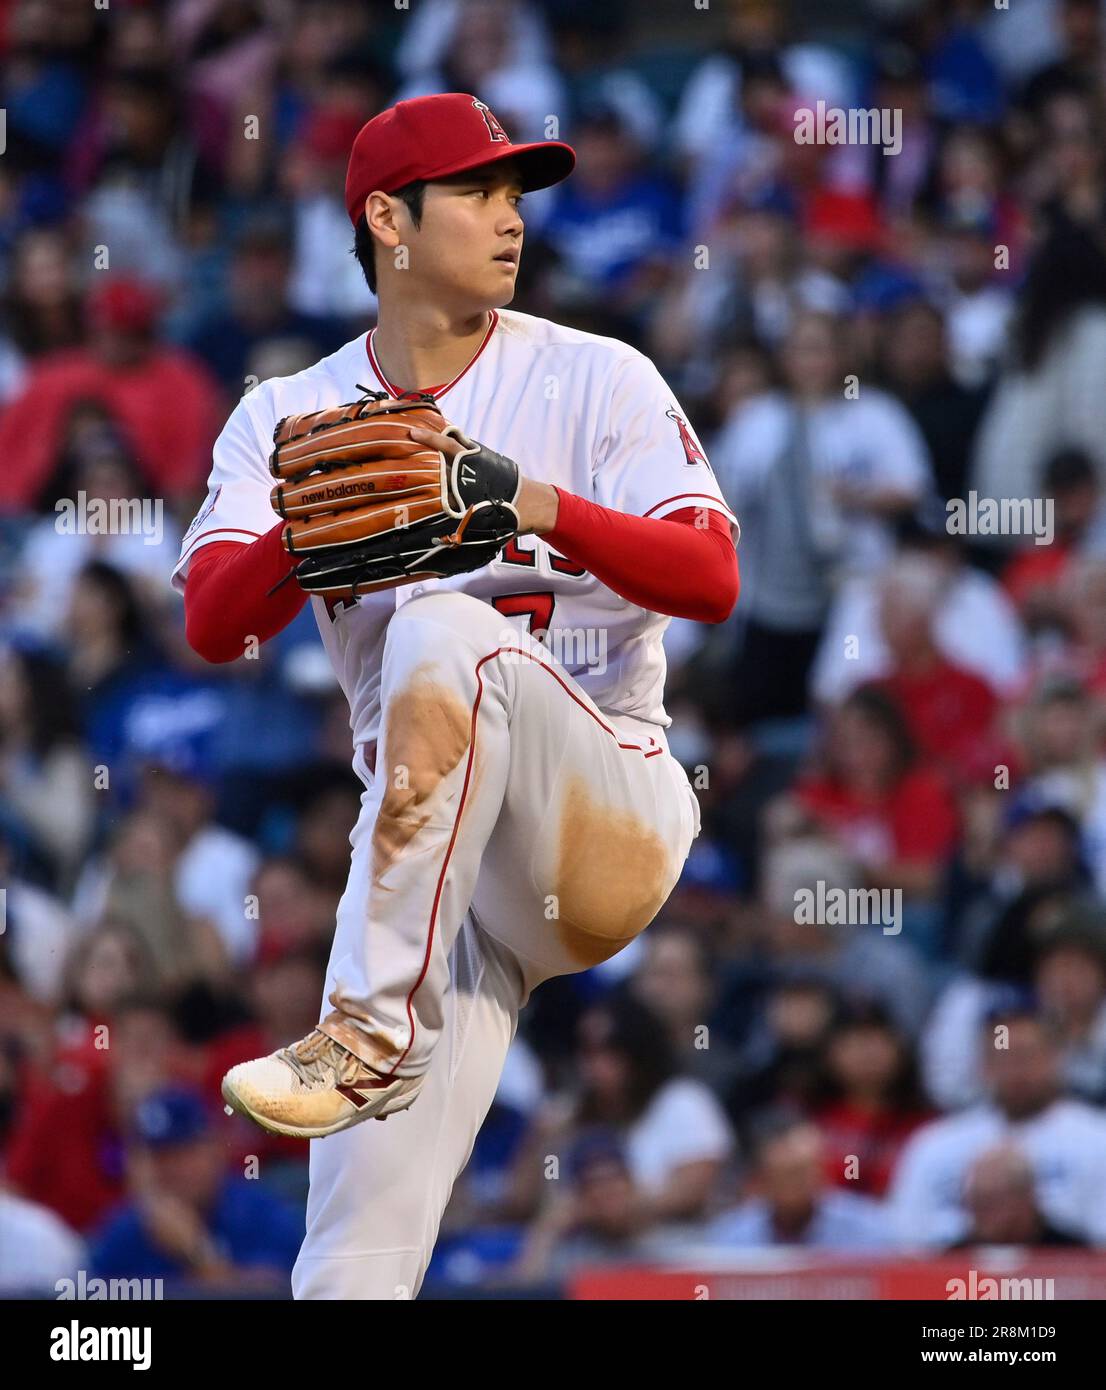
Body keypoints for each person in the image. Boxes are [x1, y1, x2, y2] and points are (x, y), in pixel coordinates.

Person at [175, 92, 740, 1300]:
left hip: (602, 806)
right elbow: (214, 622)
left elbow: (711, 578)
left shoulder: (595, 376)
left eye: (515, 192)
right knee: (346, 1269)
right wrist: (305, 536)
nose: (509, 216)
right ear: (388, 216)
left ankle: (366, 1033)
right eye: (477, 190)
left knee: (445, 626)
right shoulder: (286, 414)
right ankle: (377, 1031)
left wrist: (533, 501)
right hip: (433, 885)